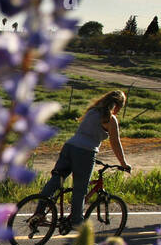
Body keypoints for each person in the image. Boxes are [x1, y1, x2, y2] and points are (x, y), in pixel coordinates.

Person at [34, 89, 131, 231]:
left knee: (56, 180)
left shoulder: (92, 111)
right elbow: (115, 143)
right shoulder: (110, 119)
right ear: (118, 106)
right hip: (85, 153)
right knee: (80, 189)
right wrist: (123, 163)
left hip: (69, 147)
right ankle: (76, 221)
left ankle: (39, 213)